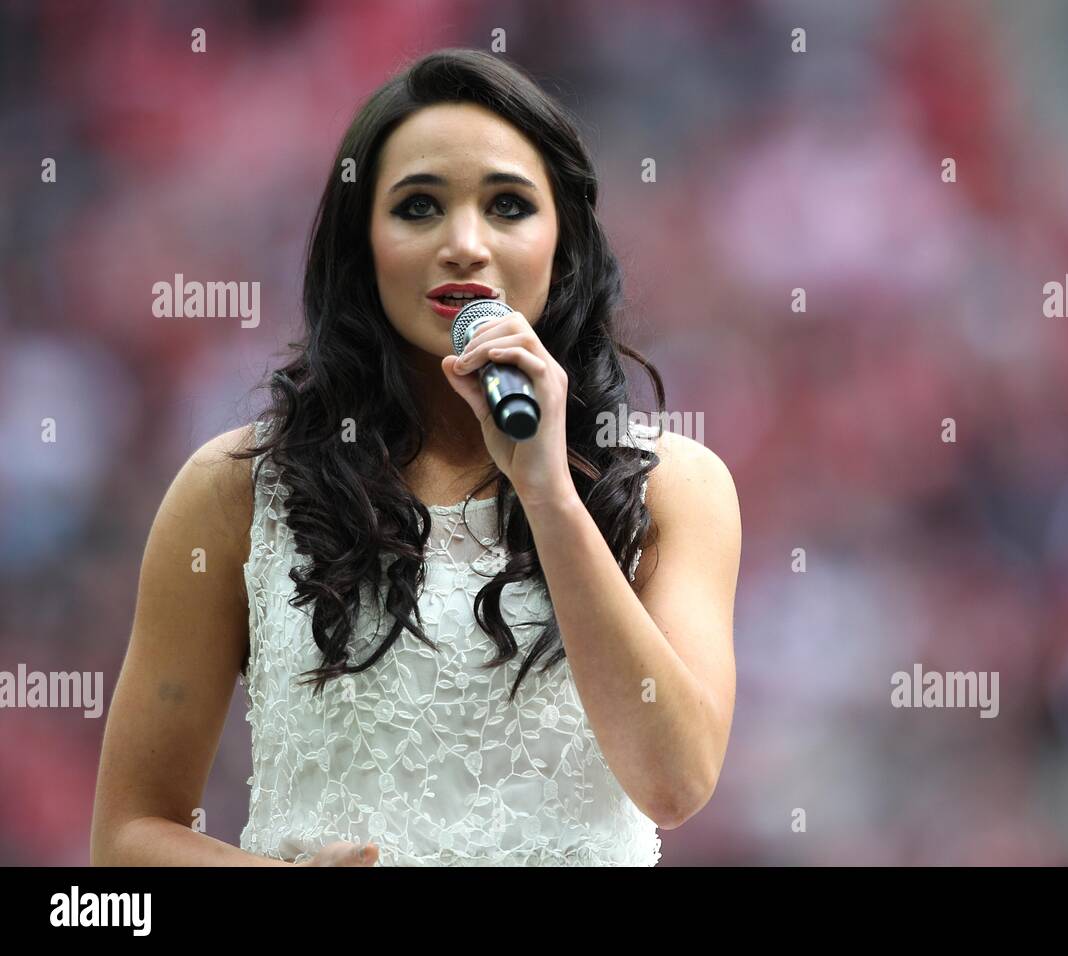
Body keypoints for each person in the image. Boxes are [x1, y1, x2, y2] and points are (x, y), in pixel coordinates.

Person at [89, 49, 740, 866]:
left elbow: (674, 784)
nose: (465, 245)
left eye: (507, 205)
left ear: (563, 245)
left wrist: (547, 494)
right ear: (361, 248)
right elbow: (126, 838)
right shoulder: (236, 491)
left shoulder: (673, 486)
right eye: (419, 207)